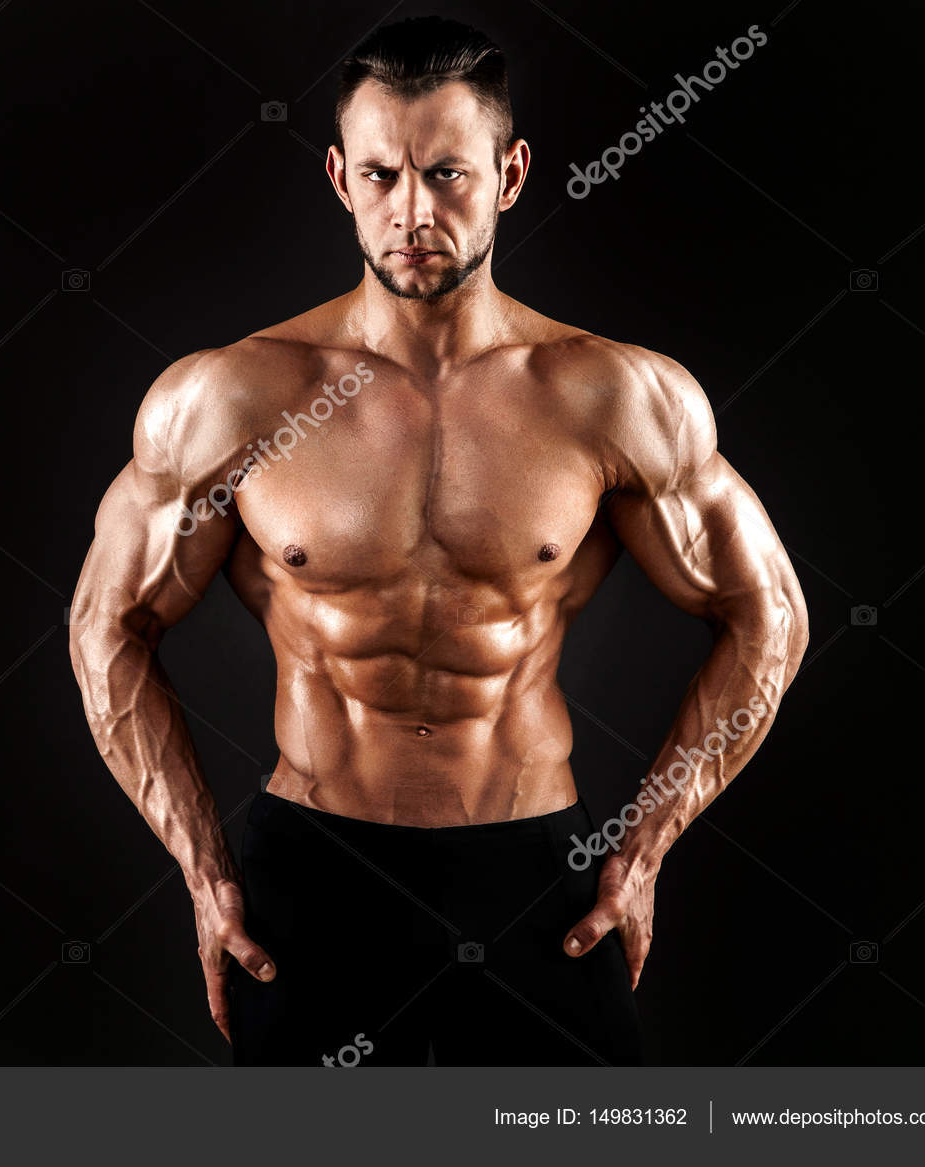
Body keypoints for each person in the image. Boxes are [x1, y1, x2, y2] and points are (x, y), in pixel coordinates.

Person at [68, 15, 809, 1065]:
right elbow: (110, 623)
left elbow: (766, 615)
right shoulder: (230, 397)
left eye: (447, 175)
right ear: (339, 176)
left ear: (508, 175)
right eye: (381, 175)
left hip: (536, 877)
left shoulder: (609, 396)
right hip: (312, 879)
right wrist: (203, 872)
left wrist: (645, 845)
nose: (412, 210)